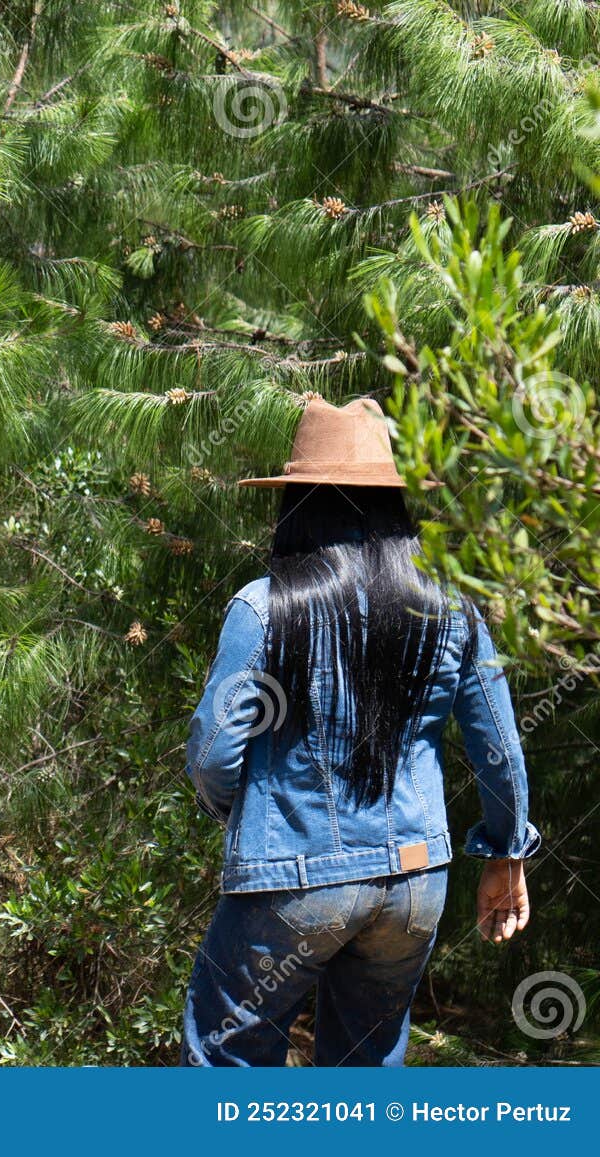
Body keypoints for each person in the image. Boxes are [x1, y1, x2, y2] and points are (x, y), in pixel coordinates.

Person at [181, 397, 539, 1067]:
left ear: (297, 502)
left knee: (227, 1055)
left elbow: (212, 754)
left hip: (288, 879)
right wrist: (506, 851)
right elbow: (498, 744)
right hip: (413, 880)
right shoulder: (453, 606)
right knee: (366, 1073)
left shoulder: (264, 606)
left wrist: (246, 812)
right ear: (399, 506)